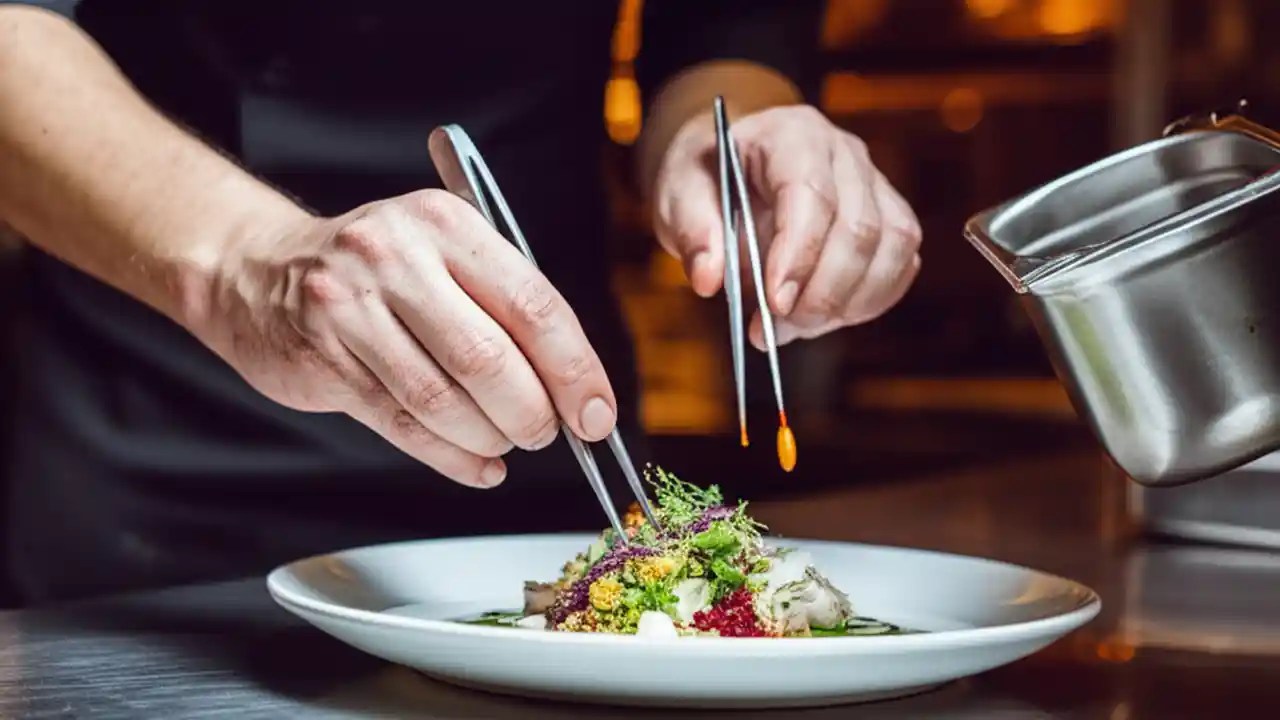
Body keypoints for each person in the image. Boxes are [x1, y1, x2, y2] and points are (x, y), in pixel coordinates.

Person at [0, 1, 922, 605]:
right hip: (152, 500)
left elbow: (725, 30)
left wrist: (737, 129)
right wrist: (249, 262)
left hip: (559, 472)